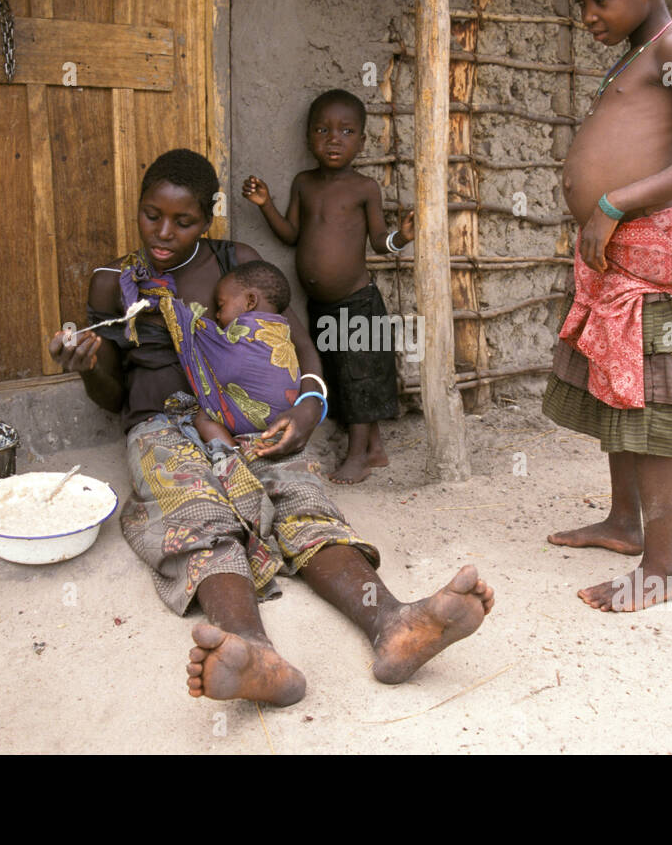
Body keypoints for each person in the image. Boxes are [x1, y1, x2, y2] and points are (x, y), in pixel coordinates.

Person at [49, 148, 493, 705]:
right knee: (196, 512)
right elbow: (112, 396)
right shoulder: (114, 284)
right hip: (162, 425)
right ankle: (252, 651)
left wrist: (309, 407)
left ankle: (396, 624)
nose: (163, 233)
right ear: (136, 209)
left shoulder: (236, 264)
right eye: (151, 215)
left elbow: (298, 344)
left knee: (301, 499)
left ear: (207, 218)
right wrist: (88, 369)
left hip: (249, 419)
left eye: (184, 222)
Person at [543, 0, 672, 612]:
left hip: (645, 262)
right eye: (581, 4)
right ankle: (624, 523)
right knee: (617, 394)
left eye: (598, 0)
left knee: (646, 406)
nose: (588, 17)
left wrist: (615, 201)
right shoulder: (635, 53)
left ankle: (662, 566)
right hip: (612, 261)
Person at [242, 89, 415, 484]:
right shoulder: (304, 184)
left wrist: (402, 238)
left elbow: (378, 243)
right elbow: (290, 234)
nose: (333, 139)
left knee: (361, 380)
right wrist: (266, 203)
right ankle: (373, 448)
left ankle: (357, 457)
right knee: (339, 376)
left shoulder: (364, 188)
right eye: (322, 129)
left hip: (357, 303)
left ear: (362, 141)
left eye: (346, 131)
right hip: (321, 306)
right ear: (308, 137)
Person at [139, 259, 302, 449]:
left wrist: (172, 309)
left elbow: (200, 335)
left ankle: (229, 453)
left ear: (250, 301)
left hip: (253, 419)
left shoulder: (248, 329)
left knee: (203, 418)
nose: (216, 316)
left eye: (221, 306)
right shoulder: (281, 329)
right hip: (283, 420)